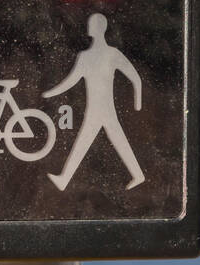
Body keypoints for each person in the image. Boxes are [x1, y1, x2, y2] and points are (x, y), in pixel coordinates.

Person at [43, 13, 144, 191]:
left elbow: (135, 78)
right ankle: (137, 175)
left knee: (86, 141)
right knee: (98, 140)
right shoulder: (86, 56)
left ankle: (64, 179)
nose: (89, 27)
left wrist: (138, 102)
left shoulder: (111, 54)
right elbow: (71, 81)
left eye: (92, 24)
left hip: (102, 110)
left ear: (99, 28)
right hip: (97, 109)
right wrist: (52, 93)